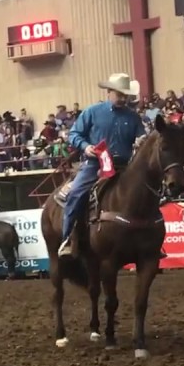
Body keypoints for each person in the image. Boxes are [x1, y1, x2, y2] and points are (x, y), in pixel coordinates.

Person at [59, 72, 146, 257]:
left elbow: (141, 137)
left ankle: (150, 240)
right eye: (119, 94)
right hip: (95, 164)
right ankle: (67, 238)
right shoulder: (92, 112)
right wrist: (86, 146)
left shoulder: (133, 117)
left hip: (125, 166)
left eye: (125, 95)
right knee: (75, 193)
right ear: (109, 91)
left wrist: (140, 141)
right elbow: (74, 134)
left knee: (146, 193)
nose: (123, 99)